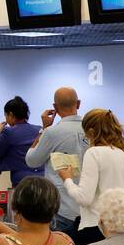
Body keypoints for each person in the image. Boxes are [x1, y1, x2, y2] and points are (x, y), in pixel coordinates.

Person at [57, 108, 124, 245]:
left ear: (92, 132)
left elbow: (84, 198)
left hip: (99, 229)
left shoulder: (94, 153)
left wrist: (67, 179)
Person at [25, 87, 89, 236]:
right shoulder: (91, 129)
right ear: (78, 104)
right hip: (88, 209)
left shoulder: (52, 132)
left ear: (55, 107)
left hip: (62, 208)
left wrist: (44, 129)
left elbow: (32, 160)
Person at [0, 96, 44, 193]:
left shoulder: (8, 132)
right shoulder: (39, 130)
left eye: (6, 115)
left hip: (20, 182)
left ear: (11, 114)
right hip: (41, 179)